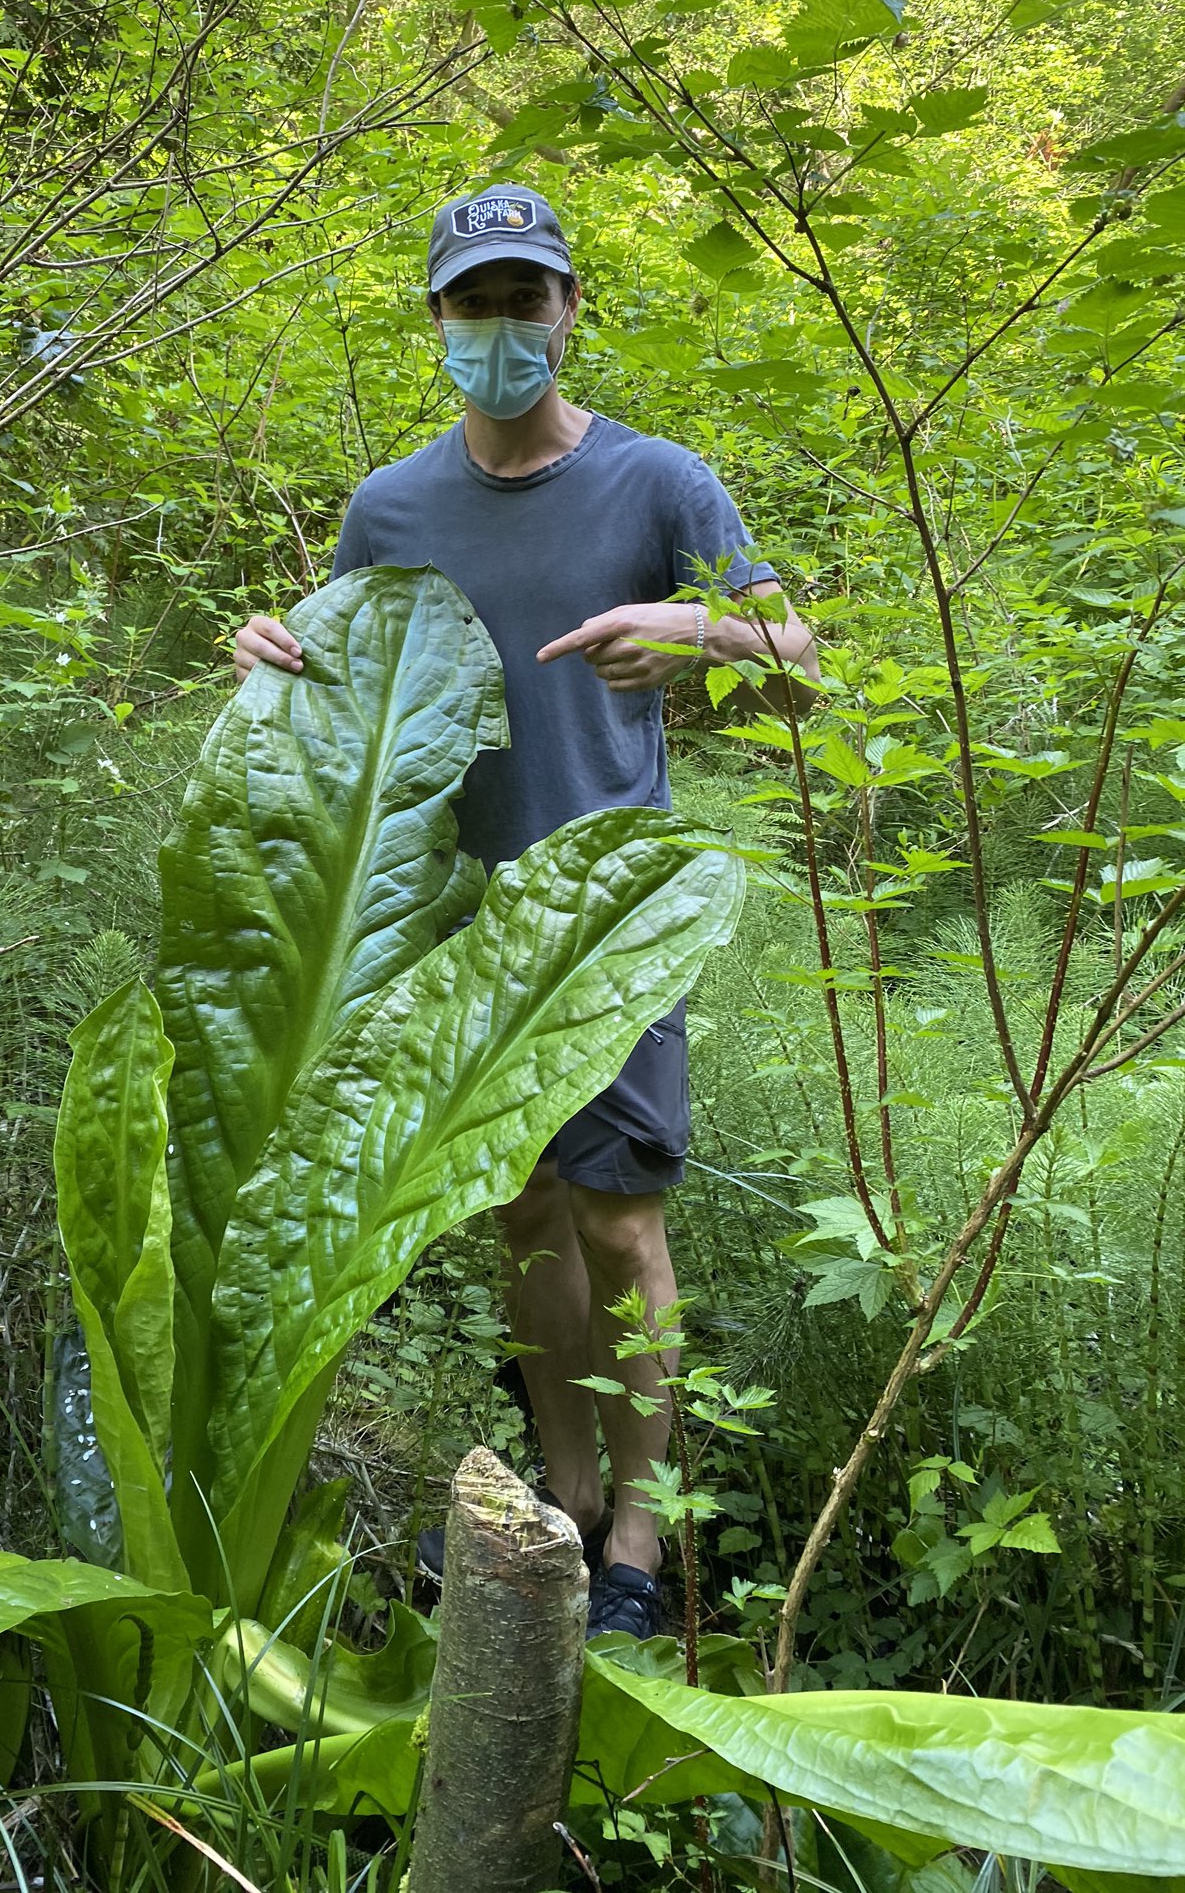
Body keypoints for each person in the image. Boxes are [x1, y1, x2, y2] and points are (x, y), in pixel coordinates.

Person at [234, 183, 818, 1640]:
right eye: (475, 303)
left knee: (621, 1219)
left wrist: (697, 632)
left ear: (571, 311)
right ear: (437, 320)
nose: (503, 327)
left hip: (608, 912)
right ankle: (555, 1517)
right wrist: (271, 653)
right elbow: (351, 677)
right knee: (524, 1214)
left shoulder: (659, 482)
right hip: (456, 907)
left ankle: (638, 1540)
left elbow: (801, 654)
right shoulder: (395, 503)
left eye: (527, 299)